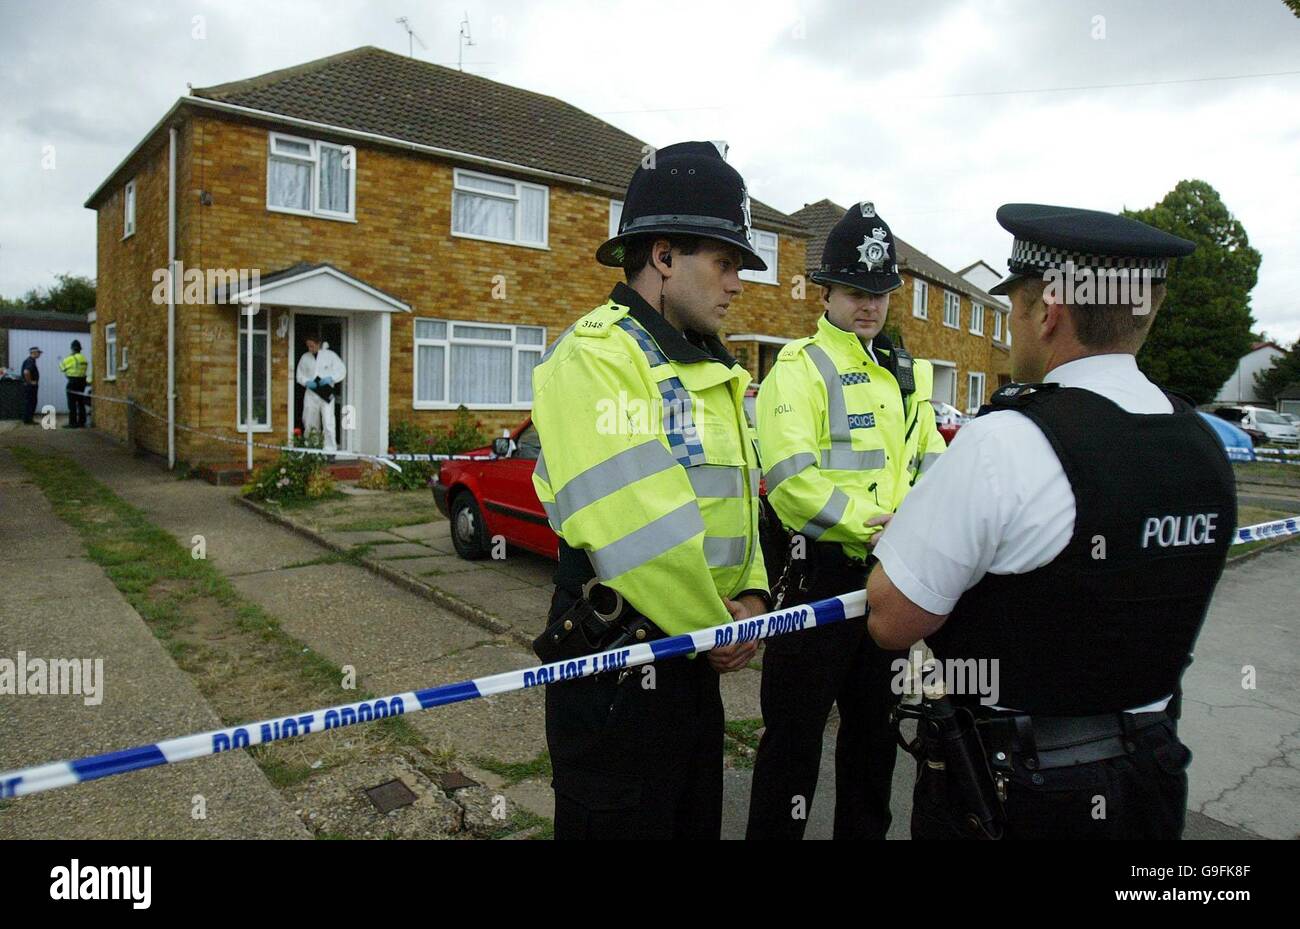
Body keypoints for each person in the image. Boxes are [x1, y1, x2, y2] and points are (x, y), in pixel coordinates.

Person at [866, 203, 1236, 840]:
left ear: (1049, 312)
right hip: (1150, 776)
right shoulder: (1203, 445)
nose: (1013, 324)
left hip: (1020, 792)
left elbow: (893, 621)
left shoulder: (1005, 442)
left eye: (1014, 306)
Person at [530, 141, 770, 839]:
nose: (736, 283)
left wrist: (751, 595)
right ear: (663, 256)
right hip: (619, 675)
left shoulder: (706, 365)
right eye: (724, 262)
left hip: (694, 660)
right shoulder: (597, 356)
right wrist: (718, 623)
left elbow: (737, 503)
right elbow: (639, 531)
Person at [746, 202, 948, 840]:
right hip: (818, 582)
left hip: (887, 588)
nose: (870, 305)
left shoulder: (901, 374)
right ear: (825, 290)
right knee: (791, 746)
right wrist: (882, 525)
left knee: (875, 740)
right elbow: (789, 482)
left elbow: (929, 461)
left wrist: (935, 519)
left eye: (882, 292)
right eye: (857, 291)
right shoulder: (798, 368)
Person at [296, 337, 346, 452]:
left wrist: (331, 378)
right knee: (310, 421)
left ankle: (330, 450)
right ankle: (312, 449)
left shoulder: (330, 356)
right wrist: (306, 382)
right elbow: (299, 375)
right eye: (308, 346)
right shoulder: (305, 357)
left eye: (312, 346)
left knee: (328, 422)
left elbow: (341, 370)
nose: (310, 348)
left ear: (318, 344)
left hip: (326, 393)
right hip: (311, 393)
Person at [59, 339, 90, 428]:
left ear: (72, 349)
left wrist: (69, 357)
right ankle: (82, 422)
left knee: (72, 404)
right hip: (82, 382)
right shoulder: (83, 358)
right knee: (81, 402)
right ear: (80, 349)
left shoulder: (70, 358)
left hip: (72, 382)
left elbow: (61, 367)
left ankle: (72, 423)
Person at [20, 347, 41, 425]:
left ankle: (27, 419)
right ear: (34, 353)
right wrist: (30, 382)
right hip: (30, 387)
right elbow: (26, 372)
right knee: (31, 402)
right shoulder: (30, 361)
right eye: (38, 352)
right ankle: (28, 420)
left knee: (29, 402)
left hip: (29, 386)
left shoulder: (31, 361)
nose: (39, 354)